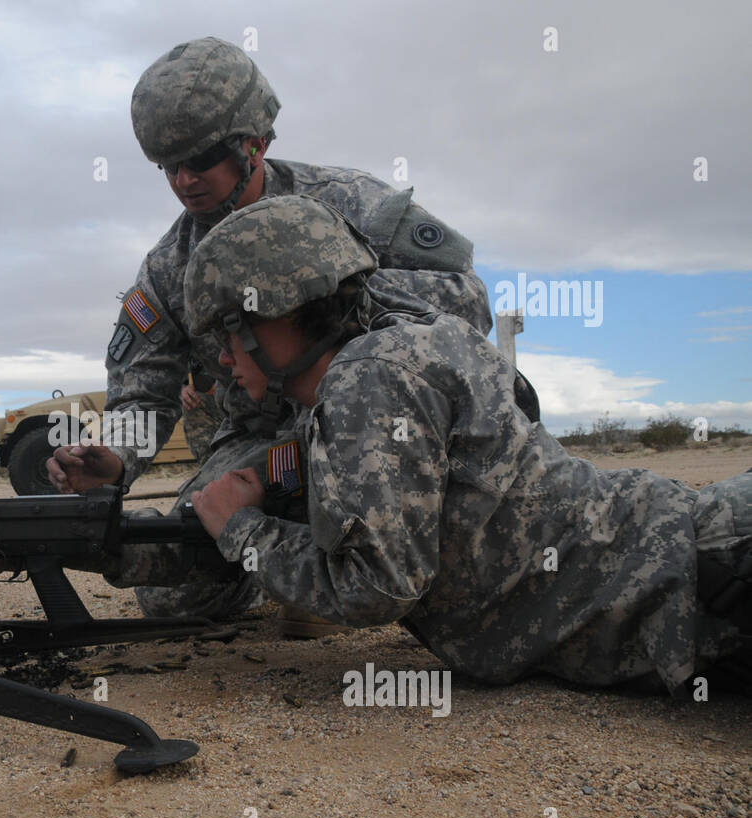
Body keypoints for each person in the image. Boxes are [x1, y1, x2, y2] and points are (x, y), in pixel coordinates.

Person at [51, 36, 537, 625]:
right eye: (167, 166)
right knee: (173, 590)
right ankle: (294, 567)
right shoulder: (168, 268)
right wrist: (114, 457)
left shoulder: (350, 205)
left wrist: (335, 304)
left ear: (253, 145)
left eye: (199, 159)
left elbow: (468, 300)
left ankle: (354, 560)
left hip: (376, 421)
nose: (183, 180)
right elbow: (143, 387)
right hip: (266, 442)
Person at [182, 194, 751, 694]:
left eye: (231, 328)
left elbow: (378, 586)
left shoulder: (368, 378)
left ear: (282, 311)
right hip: (686, 564)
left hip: (698, 581)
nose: (225, 357)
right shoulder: (402, 344)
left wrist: (243, 530)